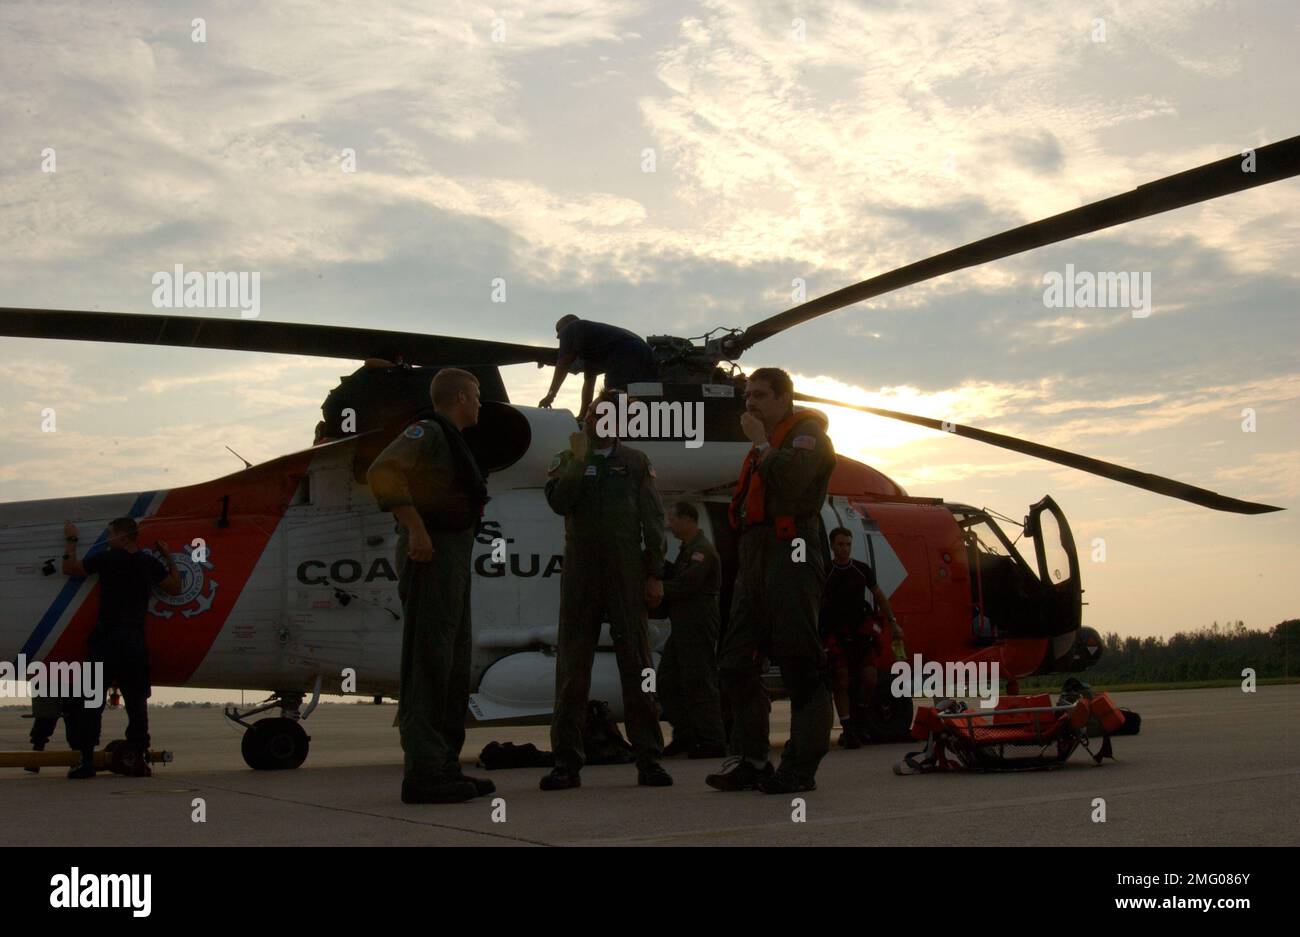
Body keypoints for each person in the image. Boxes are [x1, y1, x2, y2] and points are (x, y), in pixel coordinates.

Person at [366, 368, 495, 804]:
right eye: (476, 395)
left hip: (452, 563)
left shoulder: (453, 440)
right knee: (429, 665)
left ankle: (443, 766)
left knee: (454, 665)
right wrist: (417, 531)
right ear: (459, 397)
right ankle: (422, 774)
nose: (480, 402)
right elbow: (383, 471)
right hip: (432, 559)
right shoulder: (428, 432)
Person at [707, 367, 837, 794]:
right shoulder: (763, 445)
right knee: (734, 661)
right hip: (755, 556)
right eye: (748, 396)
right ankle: (753, 759)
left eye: (760, 396)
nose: (751, 404)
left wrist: (761, 443)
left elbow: (794, 479)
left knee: (800, 663)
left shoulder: (807, 436)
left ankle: (799, 768)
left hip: (792, 550)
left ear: (784, 398)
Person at [540, 392, 671, 790]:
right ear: (589, 416)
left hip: (626, 572)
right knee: (572, 669)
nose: (603, 421)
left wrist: (654, 574)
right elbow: (560, 502)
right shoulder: (566, 459)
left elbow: (653, 520)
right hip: (581, 573)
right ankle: (566, 762)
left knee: (637, 664)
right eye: (598, 414)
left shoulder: (635, 462)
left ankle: (649, 759)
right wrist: (580, 459)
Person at [60, 517, 182, 779]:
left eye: (111, 534)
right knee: (136, 701)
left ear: (124, 536)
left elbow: (69, 568)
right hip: (134, 640)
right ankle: (137, 757)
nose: (107, 538)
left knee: (92, 702)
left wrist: (71, 539)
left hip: (106, 638)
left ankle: (85, 760)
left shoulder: (107, 558)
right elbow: (175, 587)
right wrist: (169, 557)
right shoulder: (148, 563)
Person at [821, 526, 903, 748]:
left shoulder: (862, 570)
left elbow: (879, 596)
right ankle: (848, 729)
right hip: (835, 633)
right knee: (841, 679)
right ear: (832, 546)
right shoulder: (825, 571)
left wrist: (893, 623)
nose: (844, 549)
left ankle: (861, 719)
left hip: (861, 634)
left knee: (870, 678)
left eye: (848, 544)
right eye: (840, 544)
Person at [658, 502, 726, 759]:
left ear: (687, 519)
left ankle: (713, 739)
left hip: (697, 623)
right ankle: (686, 735)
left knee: (700, 681)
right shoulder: (687, 550)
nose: (670, 525)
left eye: (673, 519)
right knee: (667, 679)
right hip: (683, 625)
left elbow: (687, 584)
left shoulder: (702, 551)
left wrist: (658, 588)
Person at [537, 316, 659, 420]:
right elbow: (589, 382)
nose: (560, 339)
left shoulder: (571, 327)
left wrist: (550, 396)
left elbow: (562, 364)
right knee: (642, 394)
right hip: (647, 353)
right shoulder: (594, 346)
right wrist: (583, 415)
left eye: (559, 336)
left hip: (625, 354)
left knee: (613, 395)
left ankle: (617, 430)